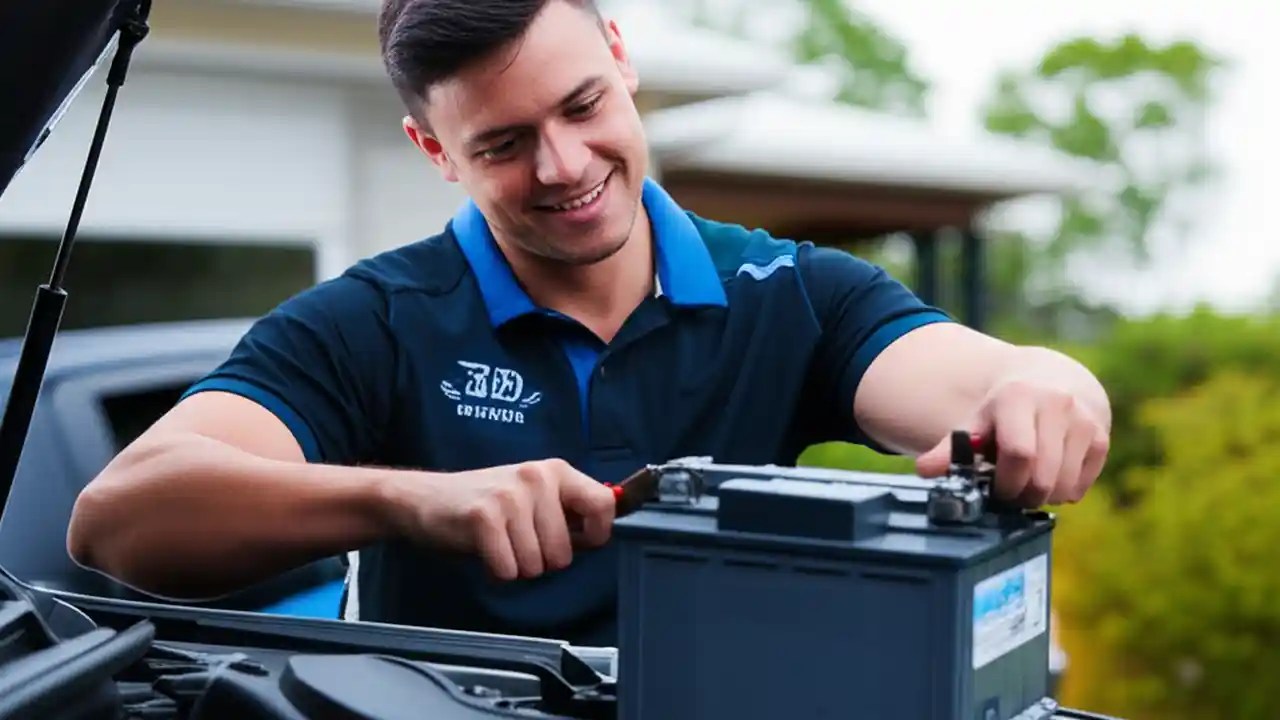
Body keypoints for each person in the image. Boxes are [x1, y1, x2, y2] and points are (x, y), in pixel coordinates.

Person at [66, 0, 1111, 645]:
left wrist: (1045, 387)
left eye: (580, 106)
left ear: (620, 56)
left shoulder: (788, 290)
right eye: (504, 142)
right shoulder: (373, 321)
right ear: (433, 150)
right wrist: (411, 501)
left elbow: (971, 380)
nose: (562, 167)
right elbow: (119, 519)